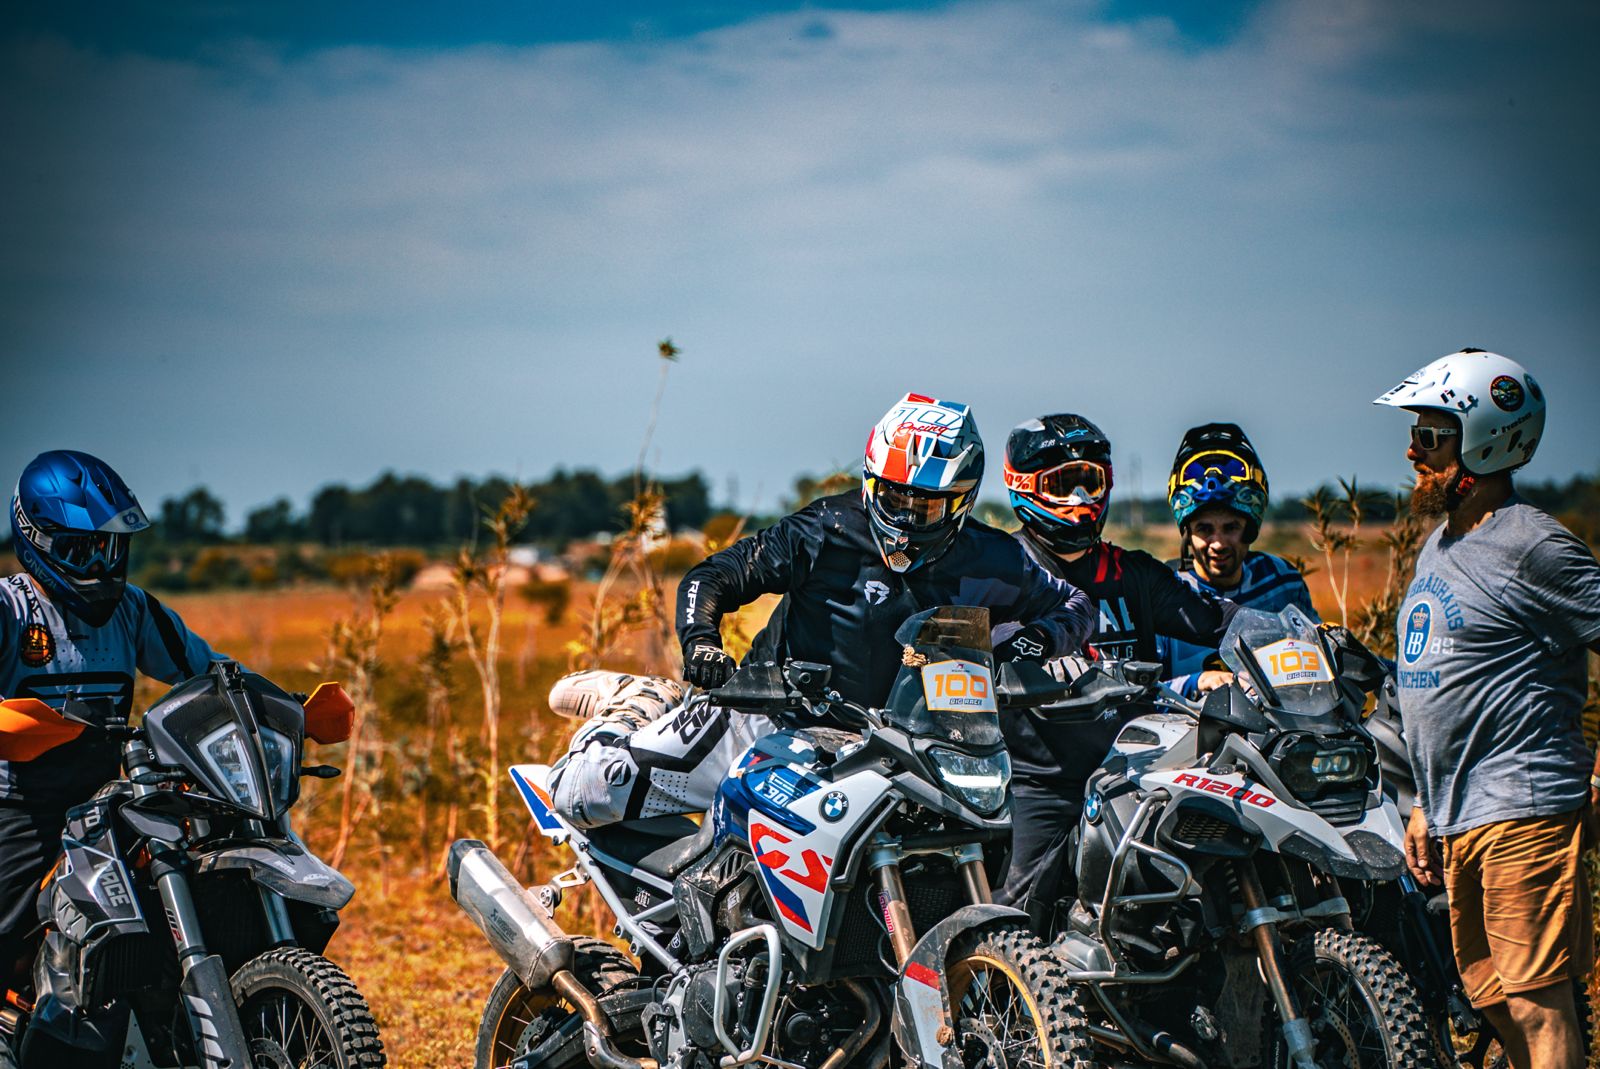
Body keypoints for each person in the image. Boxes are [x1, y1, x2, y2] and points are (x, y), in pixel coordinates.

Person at [550, 392, 1096, 831]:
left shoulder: (995, 556)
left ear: (963, 499)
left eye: (925, 505)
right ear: (871, 481)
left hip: (910, 751)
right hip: (771, 718)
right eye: (894, 498)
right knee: (583, 793)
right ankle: (636, 705)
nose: (906, 518)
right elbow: (710, 577)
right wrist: (702, 645)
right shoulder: (825, 529)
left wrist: (1038, 643)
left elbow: (1075, 605)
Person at [1377, 349, 1600, 1069]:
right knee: (1491, 997)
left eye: (1430, 436)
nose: (1413, 452)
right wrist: (1422, 802)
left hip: (1523, 801)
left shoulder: (1532, 544)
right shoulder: (1438, 547)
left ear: (1484, 443)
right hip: (1457, 813)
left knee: (1537, 1003)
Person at [1, 451, 224, 1062]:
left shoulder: (135, 611)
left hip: (106, 801)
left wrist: (286, 705)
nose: (100, 566)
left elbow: (209, 672)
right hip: (20, 804)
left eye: (111, 548)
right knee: (5, 929)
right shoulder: (10, 610)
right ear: (37, 541)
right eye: (82, 550)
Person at [993, 413, 1239, 921]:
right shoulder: (1002, 571)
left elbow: (1217, 619)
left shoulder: (1134, 572)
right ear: (1024, 487)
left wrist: (1296, 638)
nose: (1081, 497)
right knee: (1015, 918)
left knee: (1213, 884)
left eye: (1092, 481)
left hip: (1139, 770)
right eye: (1063, 483)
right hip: (1045, 780)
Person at [1159, 422, 1317, 699]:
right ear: (1187, 533)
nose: (1218, 543)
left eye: (1231, 528)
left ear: (1251, 529)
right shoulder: (1162, 594)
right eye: (1204, 529)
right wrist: (1197, 682)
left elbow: (1318, 659)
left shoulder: (1282, 581)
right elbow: (1142, 692)